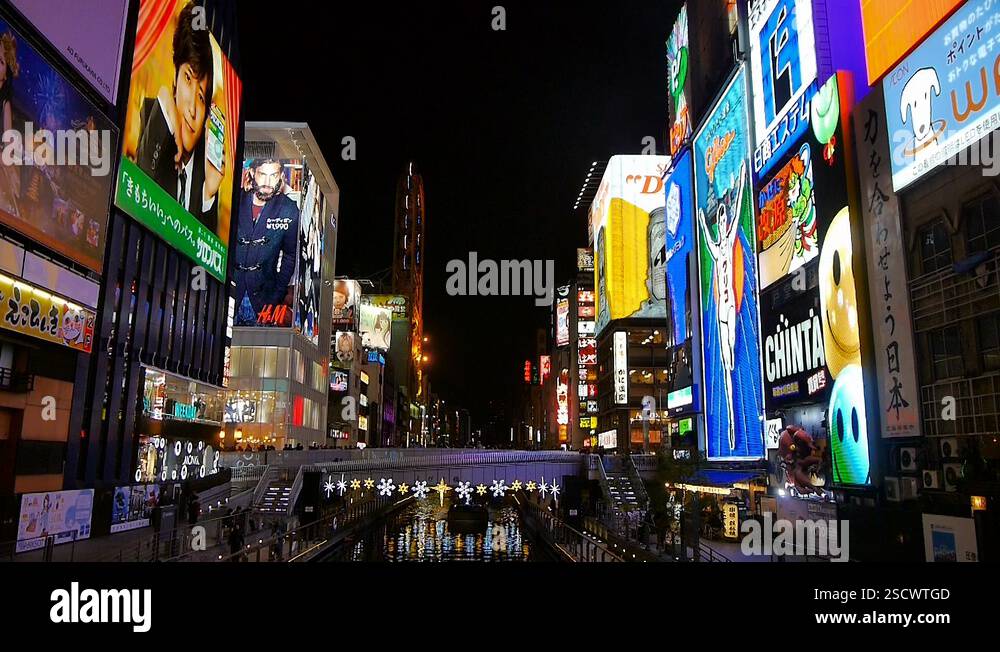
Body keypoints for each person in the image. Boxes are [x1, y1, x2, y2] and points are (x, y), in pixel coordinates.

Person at [134, 2, 222, 231]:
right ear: (175, 77)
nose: (192, 109)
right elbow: (134, 202)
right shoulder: (151, 117)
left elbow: (206, 257)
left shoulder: (207, 168)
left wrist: (208, 195)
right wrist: (165, 113)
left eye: (202, 98)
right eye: (187, 79)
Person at [697, 164, 746, 452]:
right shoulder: (717, 249)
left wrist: (740, 179)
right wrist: (703, 221)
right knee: (727, 367)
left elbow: (739, 205)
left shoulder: (728, 245)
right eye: (722, 220)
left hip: (730, 305)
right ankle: (730, 425)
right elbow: (704, 235)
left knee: (730, 362)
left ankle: (734, 426)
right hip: (720, 310)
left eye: (726, 219)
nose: (725, 222)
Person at [233, 157, 300, 326]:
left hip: (264, 300)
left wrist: (277, 294)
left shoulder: (289, 209)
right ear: (252, 173)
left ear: (281, 177)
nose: (268, 182)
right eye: (263, 174)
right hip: (230, 293)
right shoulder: (234, 198)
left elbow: (290, 256)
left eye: (274, 175)